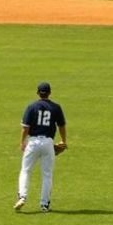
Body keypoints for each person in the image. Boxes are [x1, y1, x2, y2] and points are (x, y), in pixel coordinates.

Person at [16, 81, 68, 213]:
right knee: (47, 174)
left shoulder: (31, 106)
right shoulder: (56, 107)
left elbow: (25, 128)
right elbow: (61, 126)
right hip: (48, 143)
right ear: (49, 93)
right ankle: (44, 204)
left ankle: (22, 196)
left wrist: (22, 142)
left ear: (38, 93)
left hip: (33, 143)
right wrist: (63, 140)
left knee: (26, 171)